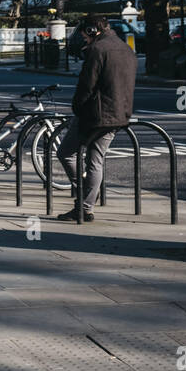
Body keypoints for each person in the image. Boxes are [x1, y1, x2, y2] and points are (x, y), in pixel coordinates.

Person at [56, 14, 137, 222]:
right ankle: (86, 206)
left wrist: (77, 107)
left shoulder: (97, 50)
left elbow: (86, 86)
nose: (85, 40)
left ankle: (85, 192)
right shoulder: (127, 49)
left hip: (94, 114)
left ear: (92, 31)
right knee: (95, 160)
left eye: (85, 36)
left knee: (66, 153)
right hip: (120, 113)